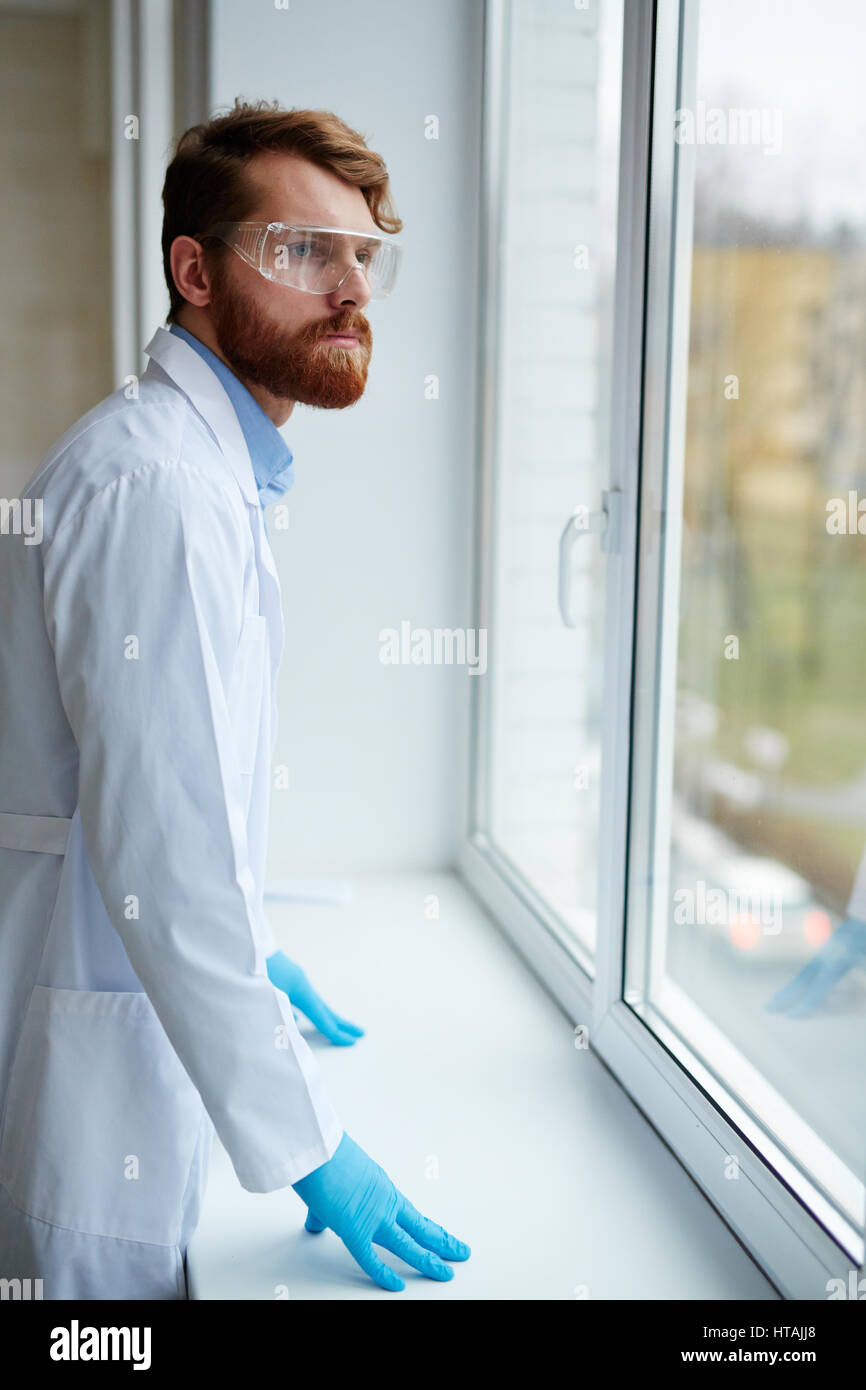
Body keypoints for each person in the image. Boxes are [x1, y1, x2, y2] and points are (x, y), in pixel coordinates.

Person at [0, 99, 470, 1299]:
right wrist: (312, 1146)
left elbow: (149, 791)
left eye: (364, 257)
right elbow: (163, 850)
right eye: (304, 251)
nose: (350, 289)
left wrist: (253, 946)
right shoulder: (155, 485)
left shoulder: (191, 471)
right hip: (80, 1086)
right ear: (194, 271)